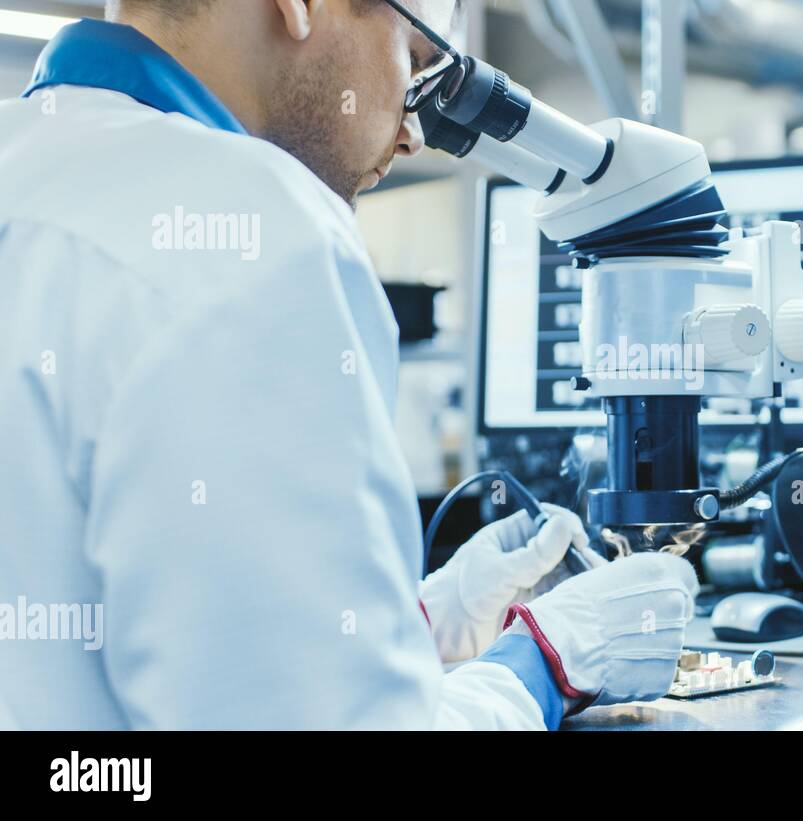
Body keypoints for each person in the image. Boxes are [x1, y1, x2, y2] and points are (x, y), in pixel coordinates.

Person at [0, 0, 697, 730]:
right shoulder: (258, 231)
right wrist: (548, 662)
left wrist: (421, 618)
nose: (415, 134)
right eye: (418, 64)